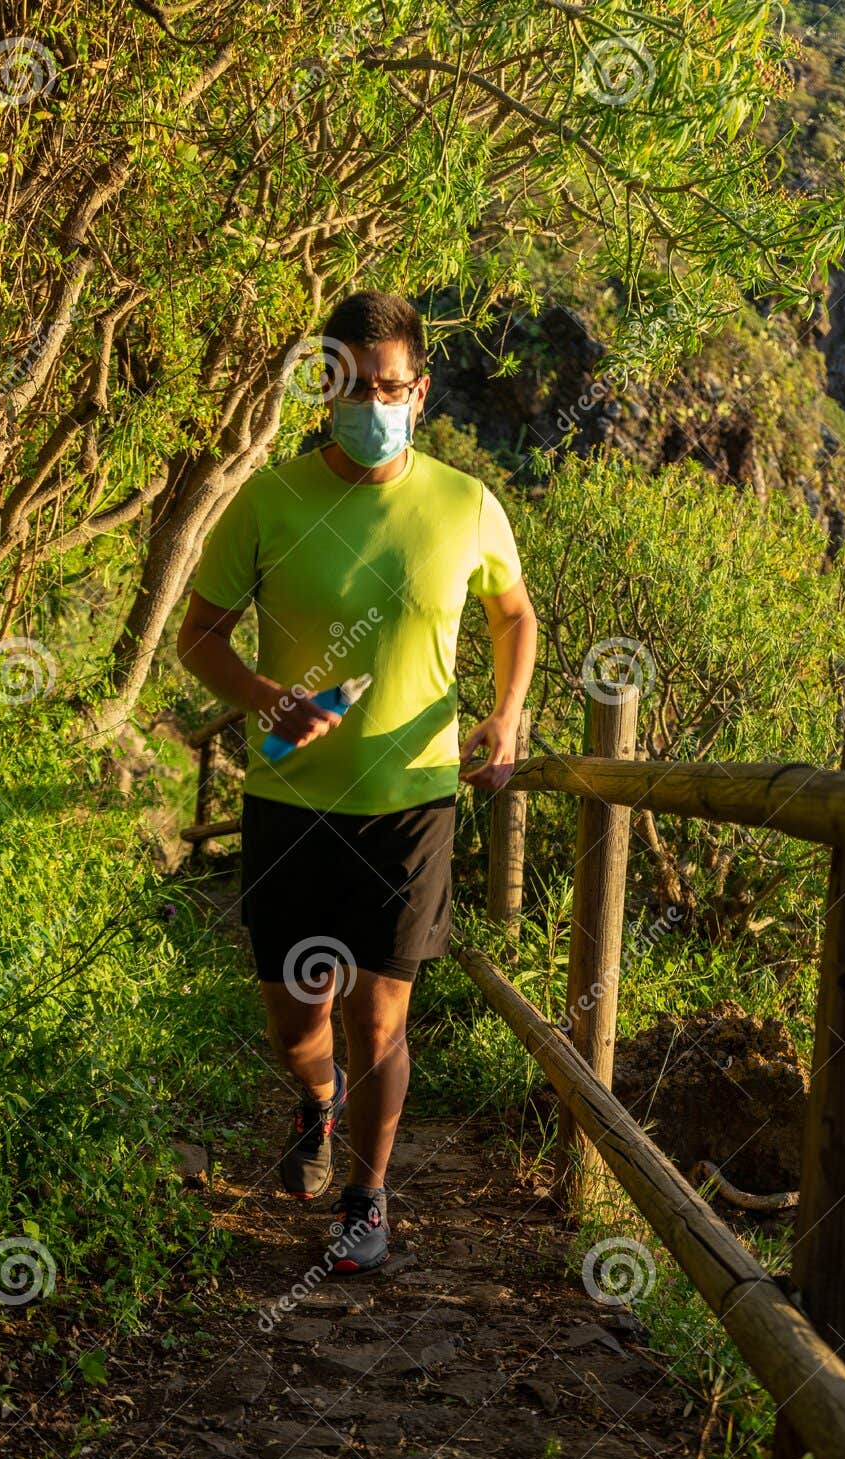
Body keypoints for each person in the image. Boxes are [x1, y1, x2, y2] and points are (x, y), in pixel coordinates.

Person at [177, 290, 537, 1272]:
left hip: (411, 801)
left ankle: (367, 1202)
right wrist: (267, 700)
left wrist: (504, 712)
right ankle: (317, 1098)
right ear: (325, 387)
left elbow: (513, 613)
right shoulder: (269, 499)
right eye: (353, 384)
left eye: (390, 386)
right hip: (291, 802)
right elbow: (196, 635)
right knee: (297, 1020)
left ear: (418, 393)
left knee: (379, 1012)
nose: (371, 401)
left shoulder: (466, 503)